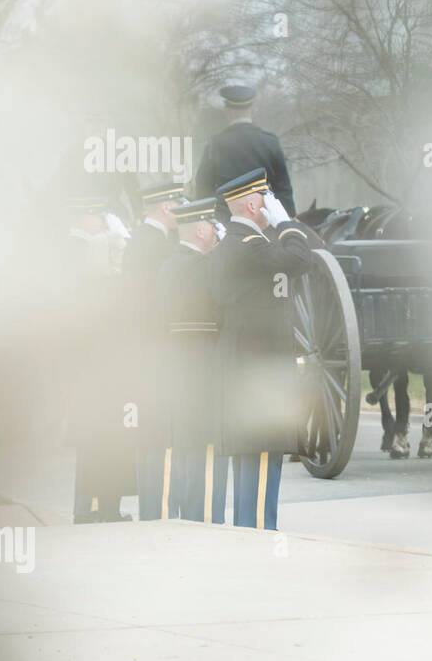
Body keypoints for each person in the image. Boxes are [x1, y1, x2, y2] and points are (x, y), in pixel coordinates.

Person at [206, 167, 318, 530]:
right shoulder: (249, 246)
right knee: (260, 457)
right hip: (258, 374)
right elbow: (301, 259)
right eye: (268, 201)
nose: (272, 207)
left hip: (245, 370)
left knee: (253, 460)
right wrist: (288, 223)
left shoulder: (233, 246)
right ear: (254, 206)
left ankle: (250, 535)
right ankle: (255, 541)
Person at [63, 189, 135, 523]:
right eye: (100, 218)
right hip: (92, 367)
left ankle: (101, 507)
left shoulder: (97, 255)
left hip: (108, 366)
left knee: (108, 438)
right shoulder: (78, 256)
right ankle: (92, 508)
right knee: (94, 438)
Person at [159, 198, 229, 523]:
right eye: (213, 226)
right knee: (207, 449)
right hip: (205, 371)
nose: (216, 232)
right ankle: (204, 522)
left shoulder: (169, 264)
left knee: (184, 447)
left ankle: (183, 516)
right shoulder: (205, 266)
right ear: (201, 228)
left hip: (176, 371)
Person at [121, 180, 185, 520]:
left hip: (142, 352)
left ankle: (152, 509)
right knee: (162, 433)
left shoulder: (138, 240)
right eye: (178, 204)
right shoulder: (159, 246)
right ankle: (160, 513)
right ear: (166, 207)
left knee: (149, 437)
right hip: (160, 351)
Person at [194, 85, 295, 219]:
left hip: (227, 220)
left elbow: (203, 189)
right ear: (253, 111)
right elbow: (283, 188)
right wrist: (288, 222)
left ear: (228, 112)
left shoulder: (214, 144)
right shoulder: (270, 142)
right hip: (264, 218)